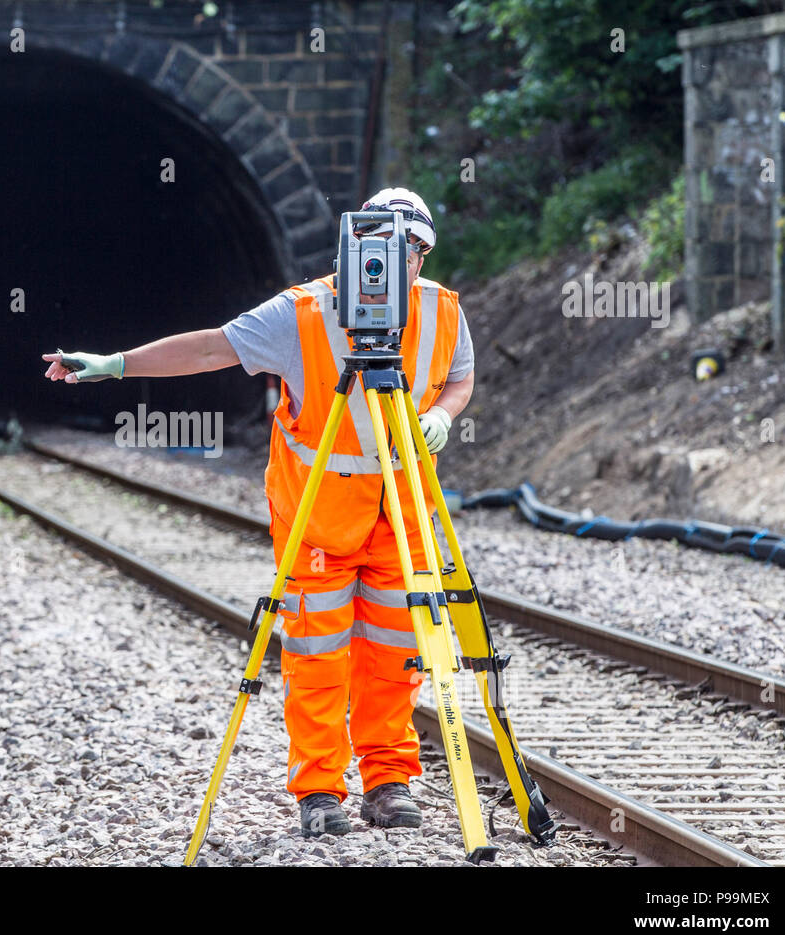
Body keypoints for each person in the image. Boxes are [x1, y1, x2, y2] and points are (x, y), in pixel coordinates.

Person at [41, 187, 475, 838]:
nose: (402, 261)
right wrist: (115, 365)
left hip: (402, 514)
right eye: (387, 243)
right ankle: (320, 792)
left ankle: (388, 781)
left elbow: (461, 377)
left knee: (394, 653)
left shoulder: (442, 310)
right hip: (320, 515)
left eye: (416, 249)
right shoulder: (302, 313)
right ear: (355, 242)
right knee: (319, 654)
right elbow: (213, 348)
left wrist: (442, 414)